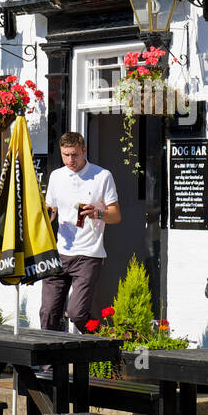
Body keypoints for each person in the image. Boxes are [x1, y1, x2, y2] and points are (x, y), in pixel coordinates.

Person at [39, 131, 120, 332]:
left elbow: (116, 216)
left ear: (84, 150)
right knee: (48, 312)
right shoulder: (56, 176)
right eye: (65, 155)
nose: (70, 160)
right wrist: (49, 215)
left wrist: (98, 213)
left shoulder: (102, 176)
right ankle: (50, 364)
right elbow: (51, 210)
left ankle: (102, 346)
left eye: (74, 154)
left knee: (76, 313)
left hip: (88, 254)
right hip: (60, 252)